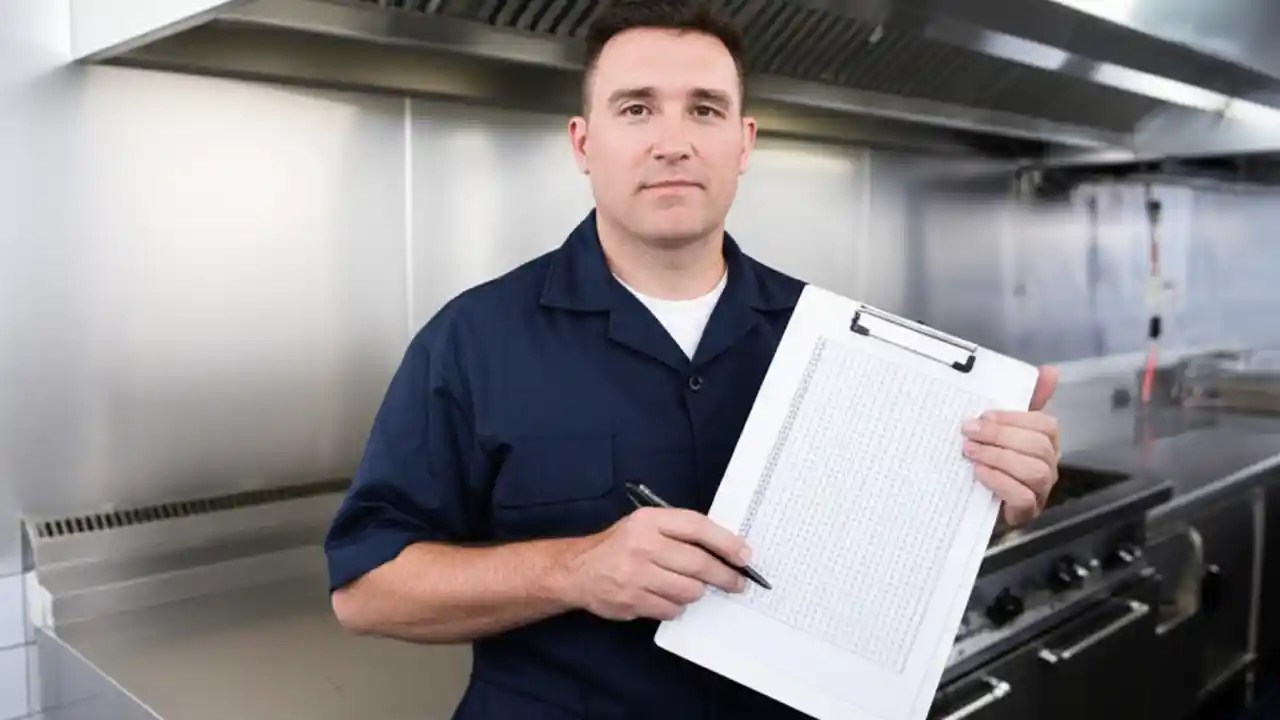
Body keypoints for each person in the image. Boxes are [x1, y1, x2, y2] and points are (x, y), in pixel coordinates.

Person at [323, 1, 1062, 717]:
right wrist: (573, 571)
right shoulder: (474, 340)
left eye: (703, 109)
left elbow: (885, 562)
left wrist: (985, 505)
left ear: (744, 143)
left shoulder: (834, 343)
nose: (672, 141)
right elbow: (366, 588)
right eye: (637, 108)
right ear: (583, 143)